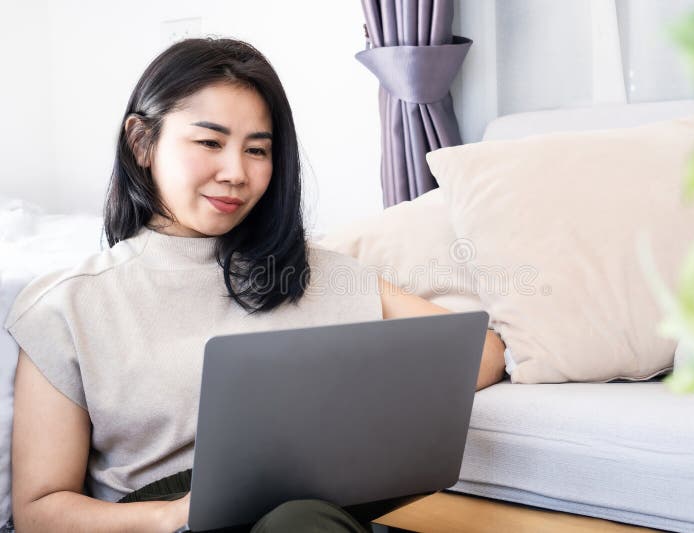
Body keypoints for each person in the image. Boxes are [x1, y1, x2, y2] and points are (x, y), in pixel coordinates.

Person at [5, 38, 506, 532]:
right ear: (141, 142)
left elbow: (478, 352)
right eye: (209, 142)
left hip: (316, 510)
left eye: (257, 150)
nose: (236, 173)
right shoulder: (67, 306)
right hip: (165, 518)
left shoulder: (321, 273)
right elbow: (39, 511)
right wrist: (174, 514)